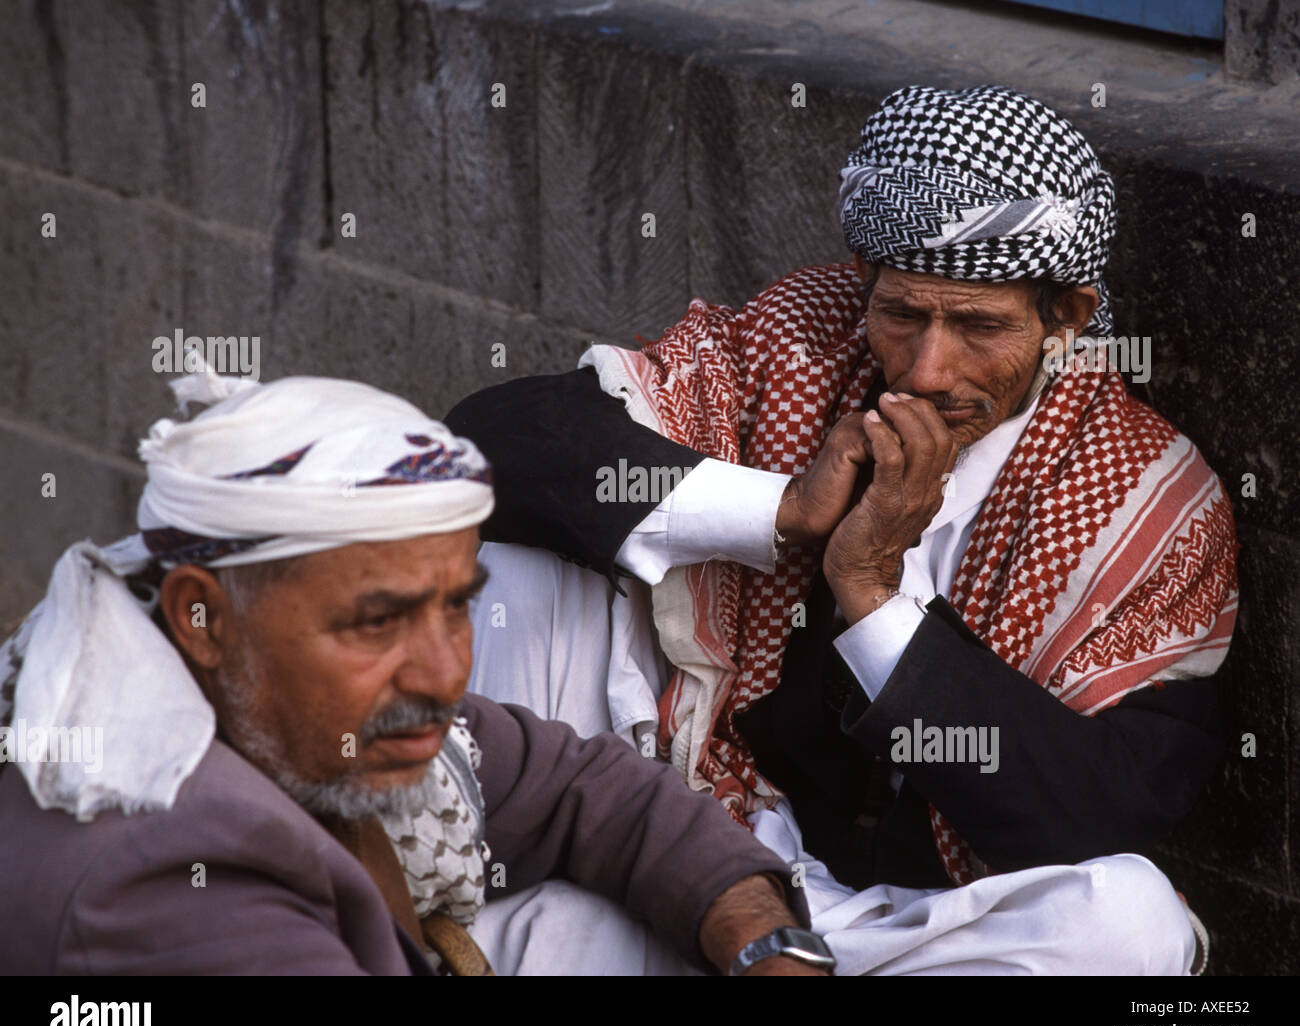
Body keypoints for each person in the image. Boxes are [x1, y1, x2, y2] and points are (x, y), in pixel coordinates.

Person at [445, 85, 1238, 974]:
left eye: (979, 326)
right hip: (692, 844)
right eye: (901, 313)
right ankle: (479, 903)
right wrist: (781, 513)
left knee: (1134, 926)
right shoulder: (800, 340)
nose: (929, 369)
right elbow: (489, 441)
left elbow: (1092, 816)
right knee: (519, 568)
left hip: (914, 922)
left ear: (1069, 318)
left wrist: (872, 594)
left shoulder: (1148, 497)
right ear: (865, 286)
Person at [0, 370, 827, 976]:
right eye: (377, 621)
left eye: (457, 607)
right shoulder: (166, 876)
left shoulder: (305, 714)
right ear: (200, 617)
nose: (442, 673)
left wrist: (767, 945)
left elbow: (587, 786)